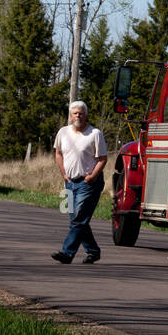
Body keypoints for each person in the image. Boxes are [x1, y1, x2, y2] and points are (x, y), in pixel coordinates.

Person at [52, 101, 108, 264]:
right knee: (76, 220)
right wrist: (63, 174)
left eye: (81, 113)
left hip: (88, 183)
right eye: (75, 113)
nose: (78, 115)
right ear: (70, 116)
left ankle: (67, 253)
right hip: (69, 182)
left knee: (79, 219)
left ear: (86, 115)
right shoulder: (63, 132)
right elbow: (58, 153)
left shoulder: (94, 134)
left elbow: (103, 159)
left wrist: (92, 176)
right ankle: (93, 251)